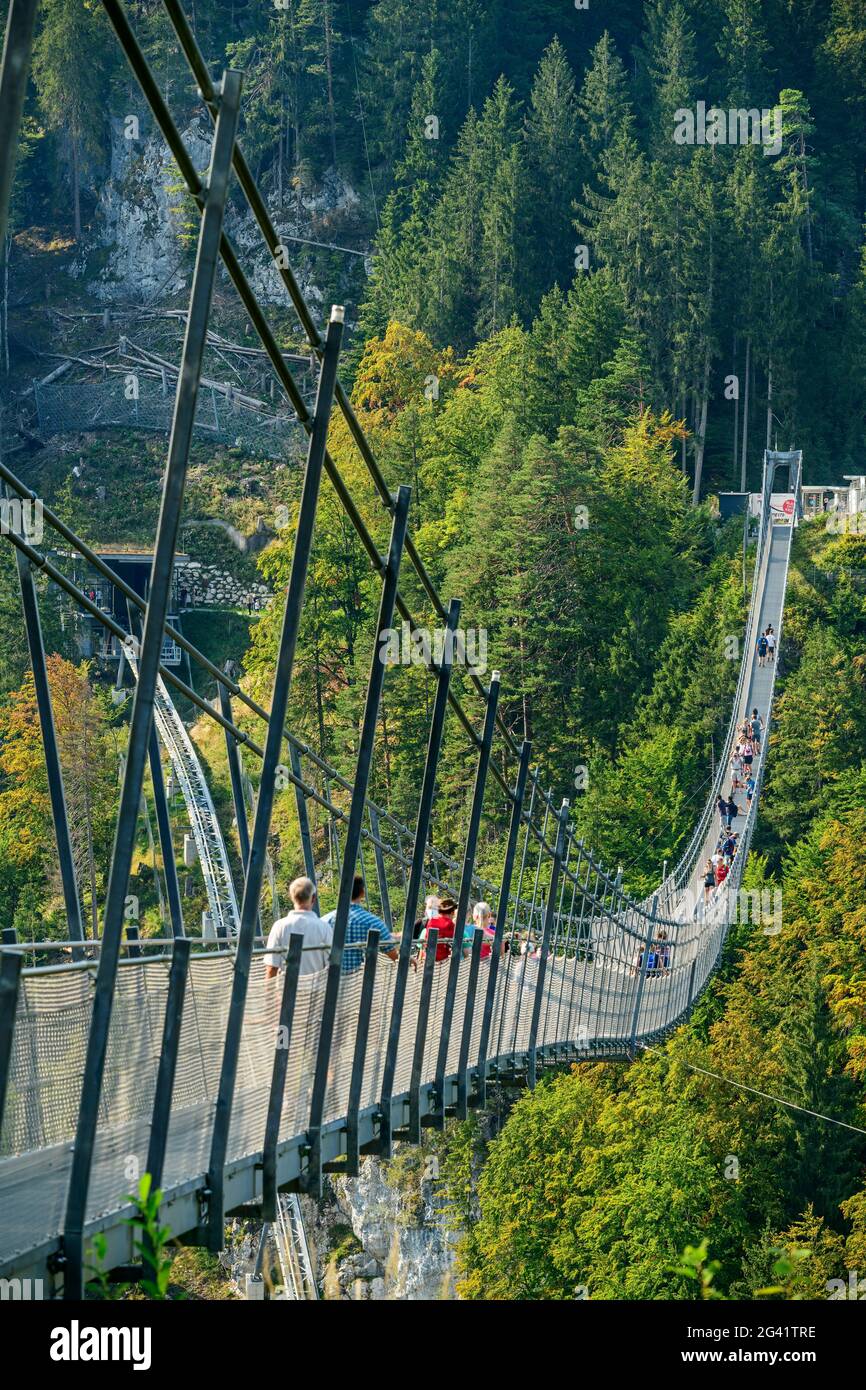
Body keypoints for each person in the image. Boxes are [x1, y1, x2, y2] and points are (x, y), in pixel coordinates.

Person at [320, 874, 398, 973]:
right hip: (358, 983)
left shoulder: (324, 921)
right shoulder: (373, 922)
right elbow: (392, 953)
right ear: (362, 893)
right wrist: (407, 958)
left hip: (328, 982)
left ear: (340, 893)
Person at [264, 876, 333, 979]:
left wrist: (268, 994)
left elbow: (272, 968)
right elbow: (332, 966)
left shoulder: (279, 926)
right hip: (317, 992)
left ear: (291, 897)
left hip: (286, 993)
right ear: (313, 898)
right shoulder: (324, 927)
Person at [423, 897, 460, 962]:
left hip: (428, 958)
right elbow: (453, 943)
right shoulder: (450, 924)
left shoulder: (431, 921)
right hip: (443, 961)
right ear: (452, 912)